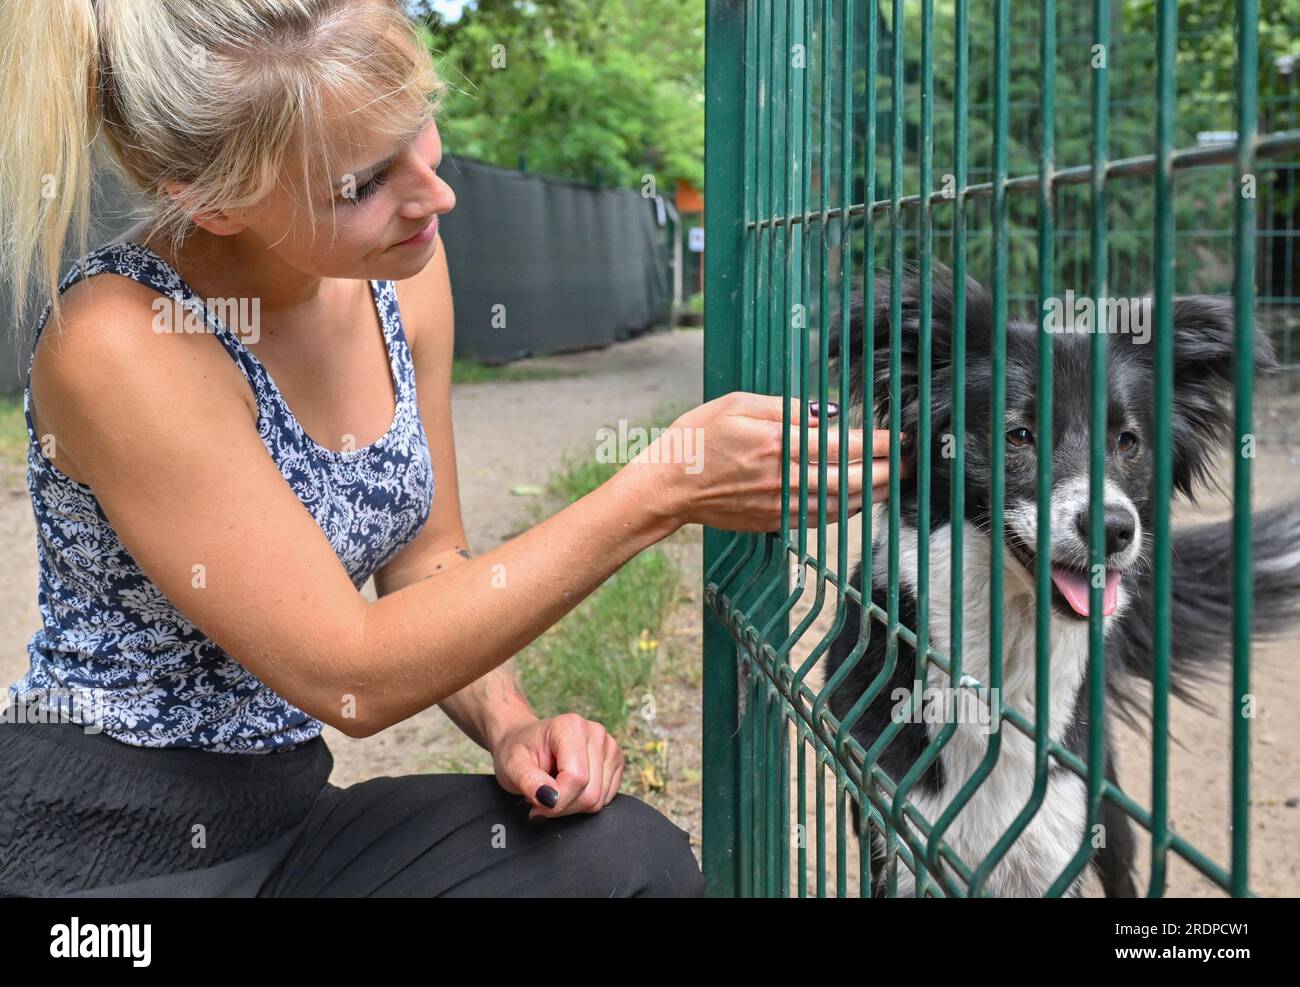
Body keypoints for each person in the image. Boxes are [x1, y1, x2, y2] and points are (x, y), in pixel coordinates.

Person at [0, 0, 891, 897]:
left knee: (625, 863)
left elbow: (427, 556)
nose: (434, 195)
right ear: (212, 200)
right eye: (363, 184)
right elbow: (349, 672)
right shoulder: (119, 339)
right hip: (108, 847)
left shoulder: (397, 270)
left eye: (419, 129)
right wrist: (658, 492)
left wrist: (508, 721)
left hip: (287, 815)